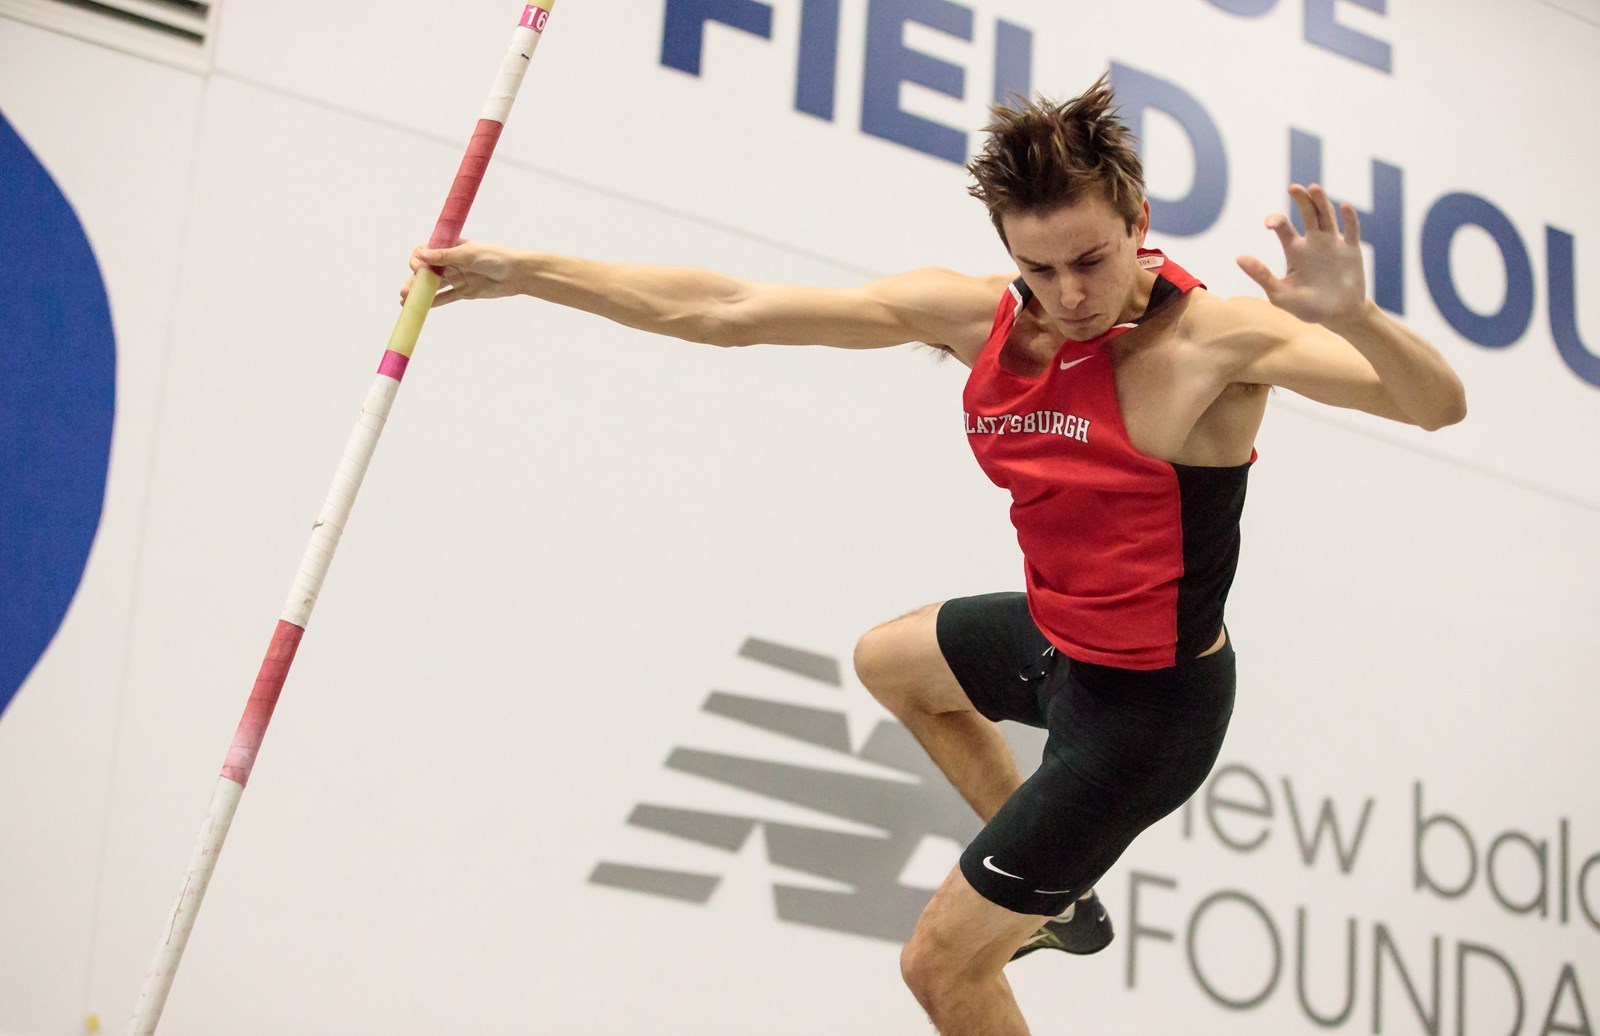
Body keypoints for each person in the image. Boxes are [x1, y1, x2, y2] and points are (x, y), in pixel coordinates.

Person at [401, 77, 1466, 1036]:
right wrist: (527, 269)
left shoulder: (1214, 345)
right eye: (1038, 268)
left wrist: (1362, 320)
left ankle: (1039, 896)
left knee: (940, 969)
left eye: (1091, 260)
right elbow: (730, 312)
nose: (1070, 294)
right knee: (889, 661)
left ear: (1138, 224)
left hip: (1151, 710)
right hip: (1061, 644)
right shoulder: (979, 316)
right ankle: (1068, 897)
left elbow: (1435, 407)